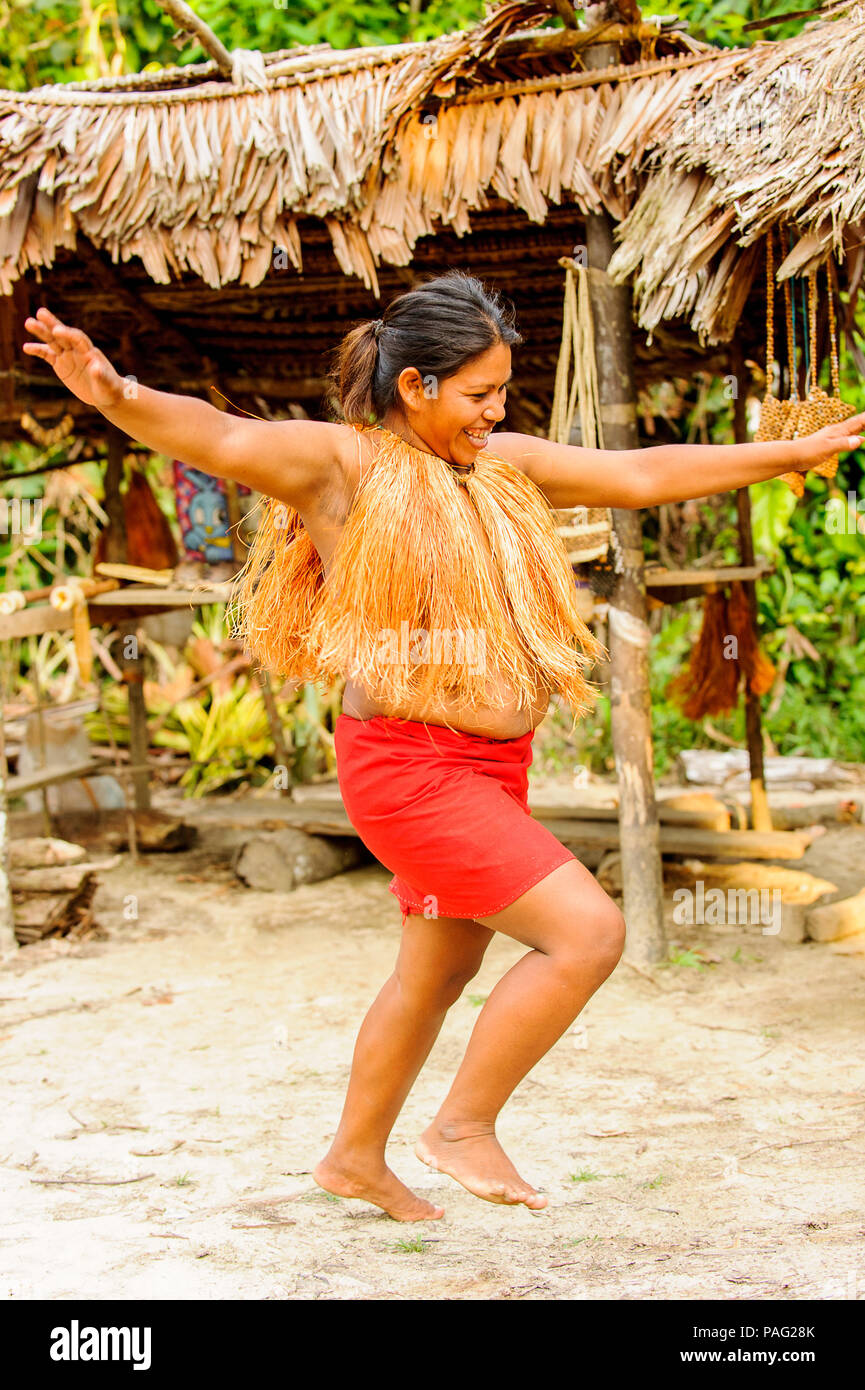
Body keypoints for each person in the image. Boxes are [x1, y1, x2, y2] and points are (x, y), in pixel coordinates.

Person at [23, 274, 865, 1223]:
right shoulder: (343, 468)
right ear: (415, 385)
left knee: (436, 974)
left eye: (503, 392)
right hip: (409, 768)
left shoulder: (498, 464)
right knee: (587, 934)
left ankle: (352, 1157)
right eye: (478, 395)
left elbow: (639, 473)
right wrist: (116, 393)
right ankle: (462, 1125)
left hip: (491, 769)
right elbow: (220, 437)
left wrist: (787, 451)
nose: (495, 412)